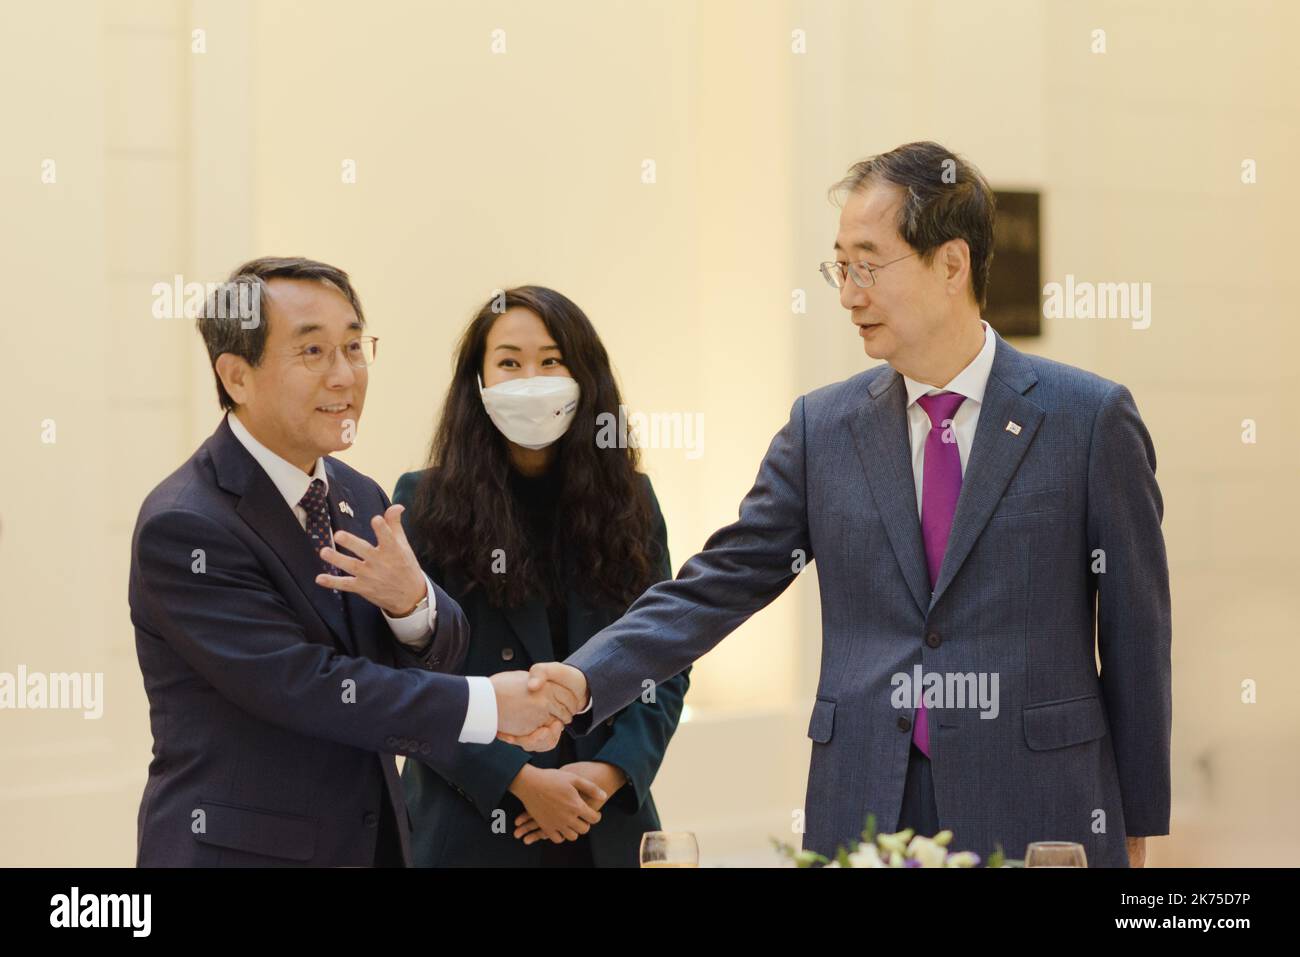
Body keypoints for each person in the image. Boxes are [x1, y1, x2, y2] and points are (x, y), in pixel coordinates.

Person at [515, 142, 1172, 868]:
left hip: (1039, 805)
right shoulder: (822, 429)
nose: (847, 293)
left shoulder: (1087, 419)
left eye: (868, 263)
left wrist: (1135, 822)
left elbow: (1138, 642)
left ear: (951, 265)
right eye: (840, 265)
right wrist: (586, 675)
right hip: (865, 795)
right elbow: (718, 583)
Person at [129, 257, 577, 866]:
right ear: (236, 376)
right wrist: (491, 706)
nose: (345, 377)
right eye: (312, 352)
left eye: (354, 347)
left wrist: (410, 605)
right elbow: (307, 688)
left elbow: (434, 651)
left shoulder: (357, 494)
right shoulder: (185, 525)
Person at [396, 286, 689, 867]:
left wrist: (607, 774)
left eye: (550, 361)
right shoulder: (424, 501)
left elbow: (666, 657)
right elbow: (411, 679)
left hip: (604, 819)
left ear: (584, 375)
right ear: (477, 383)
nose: (531, 378)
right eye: (509, 362)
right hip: (470, 825)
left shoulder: (630, 499)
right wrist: (520, 780)